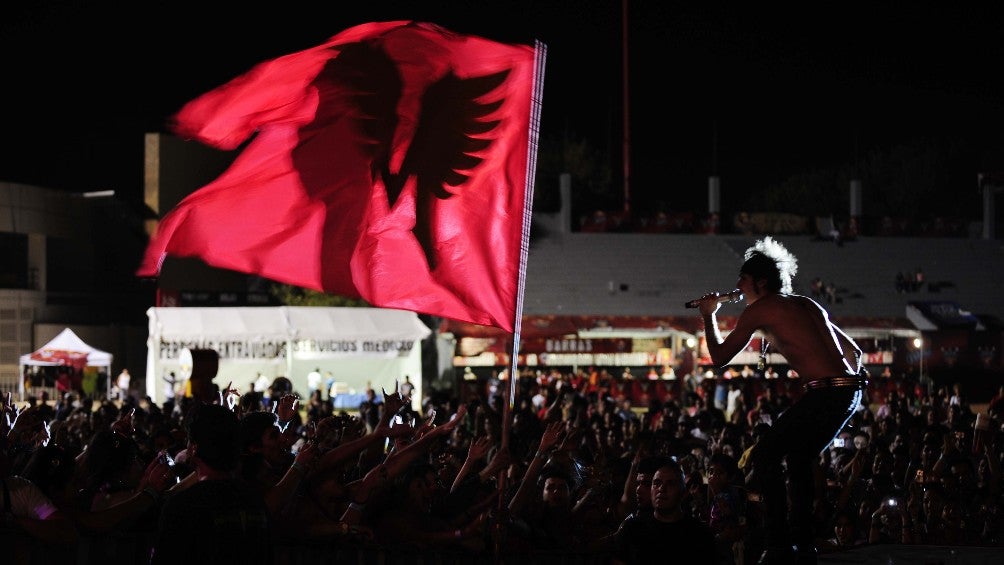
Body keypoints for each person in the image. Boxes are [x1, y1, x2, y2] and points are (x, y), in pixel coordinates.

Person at [693, 236, 866, 565]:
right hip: (847, 389)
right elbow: (854, 352)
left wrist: (709, 314)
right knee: (799, 459)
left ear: (760, 282)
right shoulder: (806, 304)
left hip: (826, 390)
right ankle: (802, 542)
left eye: (742, 280)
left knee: (764, 454)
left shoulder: (761, 309)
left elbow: (719, 357)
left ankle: (778, 543)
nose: (738, 287)